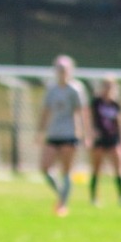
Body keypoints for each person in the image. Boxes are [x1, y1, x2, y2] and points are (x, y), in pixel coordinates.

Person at [38, 55, 87, 216]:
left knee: (66, 170)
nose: (61, 72)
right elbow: (46, 111)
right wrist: (40, 131)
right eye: (59, 69)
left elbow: (81, 112)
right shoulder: (51, 89)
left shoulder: (75, 89)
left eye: (64, 69)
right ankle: (61, 194)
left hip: (69, 133)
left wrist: (83, 133)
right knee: (45, 167)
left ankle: (63, 205)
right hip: (53, 132)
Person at [88, 77, 121, 208]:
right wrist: (90, 134)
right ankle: (94, 198)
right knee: (96, 168)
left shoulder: (116, 104)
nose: (107, 88)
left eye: (110, 86)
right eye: (105, 85)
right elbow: (89, 119)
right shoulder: (96, 102)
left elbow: (120, 122)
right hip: (99, 139)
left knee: (118, 167)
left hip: (113, 138)